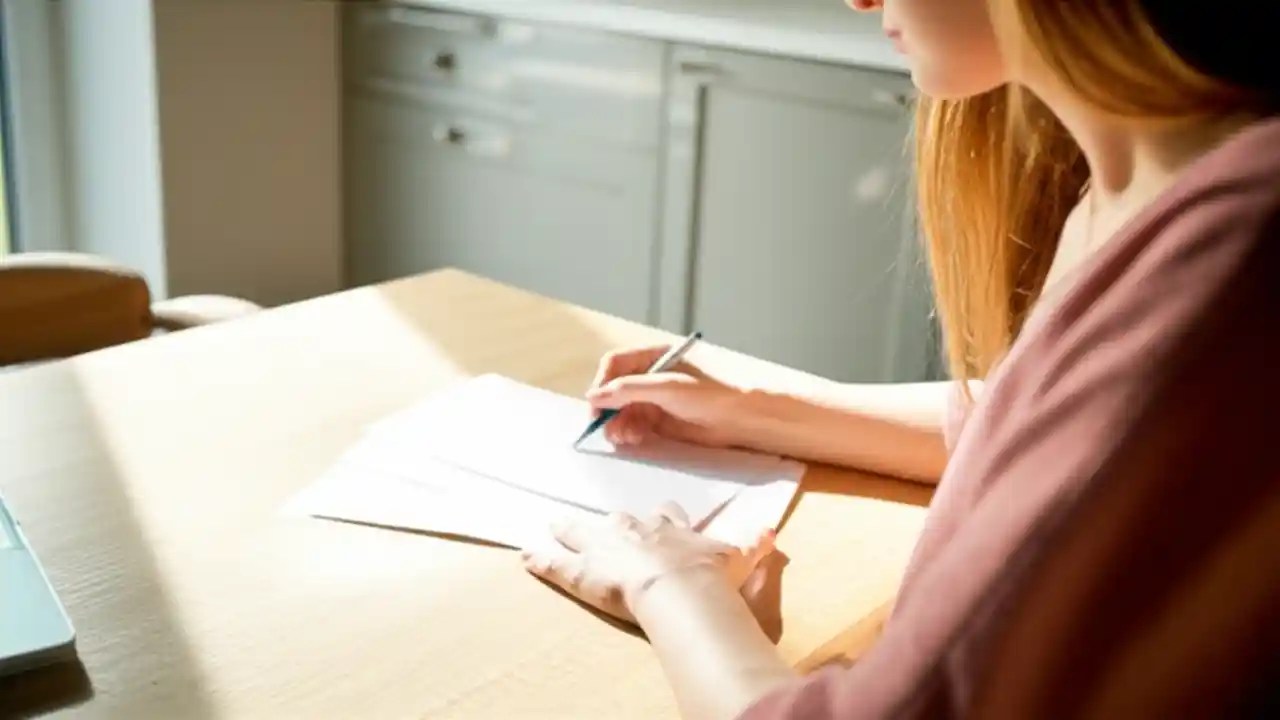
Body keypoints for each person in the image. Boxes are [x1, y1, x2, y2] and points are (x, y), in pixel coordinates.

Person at [521, 0, 1280, 717]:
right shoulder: (1157, 184)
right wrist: (757, 410)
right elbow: (1035, 433)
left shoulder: (1239, 250)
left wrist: (672, 579)